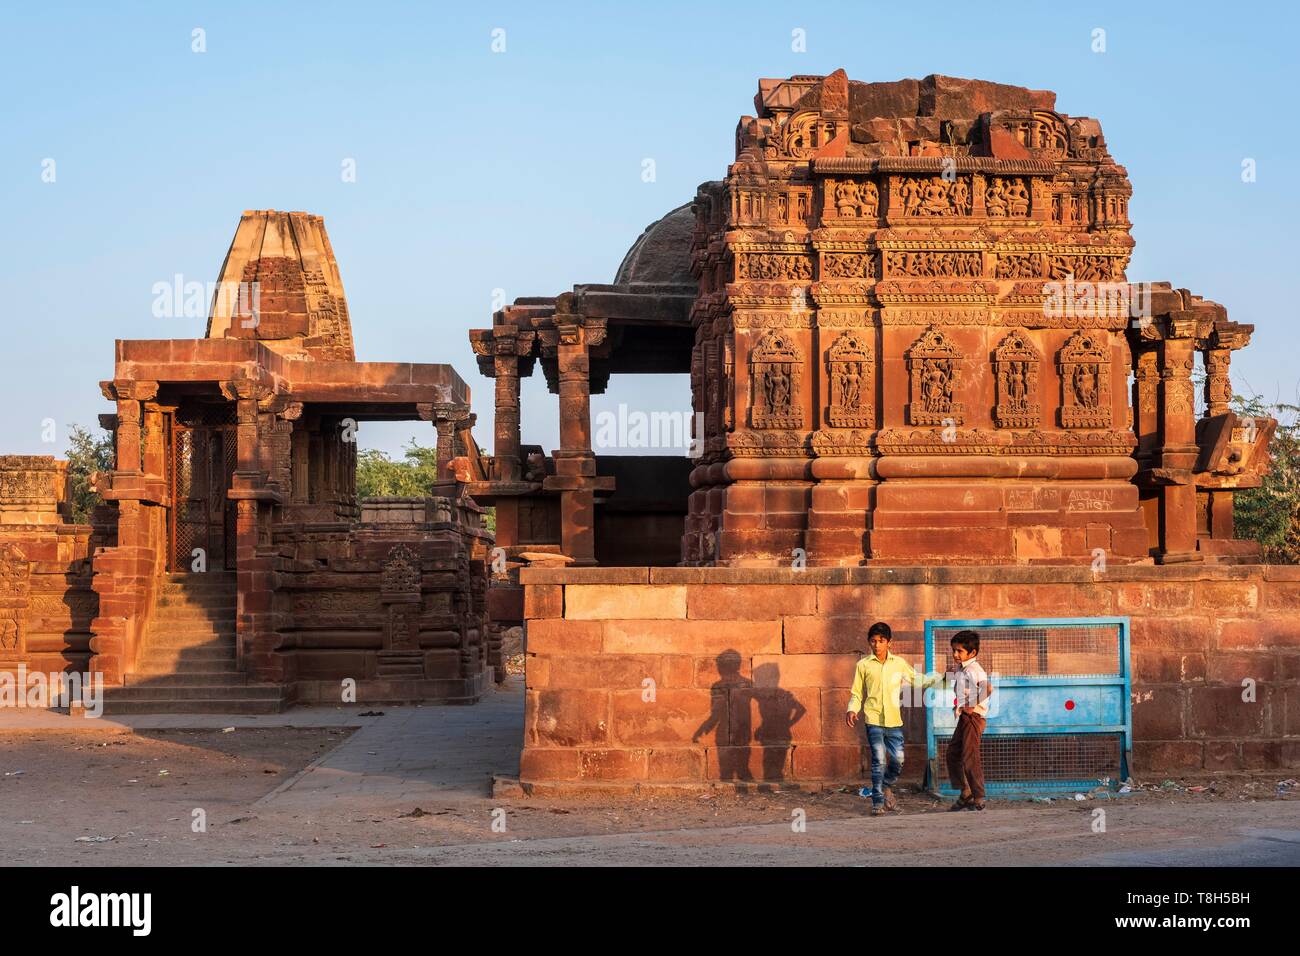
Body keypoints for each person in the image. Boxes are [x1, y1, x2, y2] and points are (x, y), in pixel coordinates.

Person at [845, 622, 939, 817]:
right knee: (878, 760)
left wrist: (940, 678)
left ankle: (885, 786)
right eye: (873, 641)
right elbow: (856, 693)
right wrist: (852, 710)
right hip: (873, 719)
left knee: (898, 760)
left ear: (889, 642)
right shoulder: (863, 665)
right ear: (869, 642)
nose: (877, 645)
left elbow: (916, 679)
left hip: (894, 720)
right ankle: (877, 802)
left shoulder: (899, 663)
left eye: (881, 641)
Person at [947, 629, 993, 811]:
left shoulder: (974, 669)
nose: (955, 654)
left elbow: (987, 689)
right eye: (954, 650)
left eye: (959, 651)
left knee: (969, 756)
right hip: (964, 718)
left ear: (972, 653)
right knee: (952, 754)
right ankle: (965, 792)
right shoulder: (961, 669)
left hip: (974, 718)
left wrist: (971, 705)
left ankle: (979, 796)